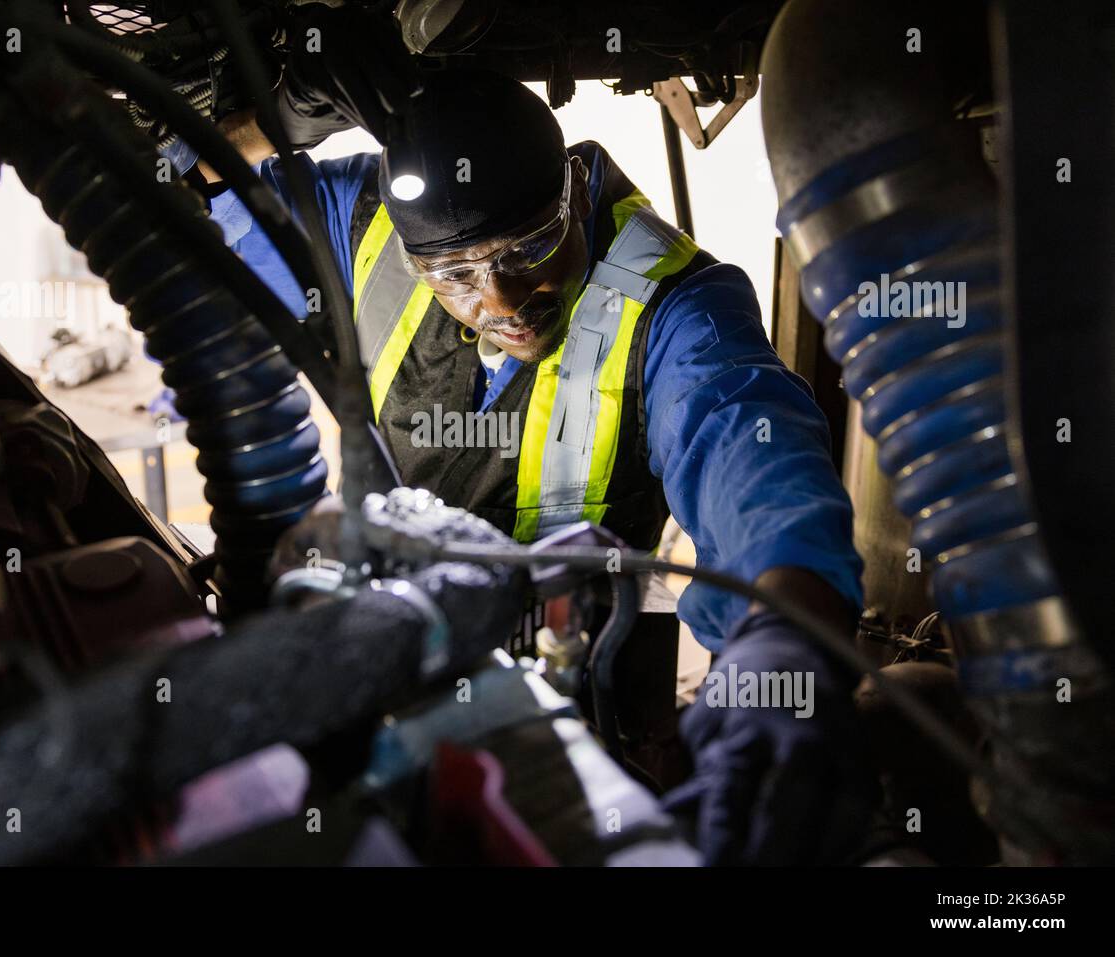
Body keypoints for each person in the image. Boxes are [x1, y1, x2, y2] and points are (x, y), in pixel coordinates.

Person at [164, 4, 874, 864]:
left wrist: (785, 637)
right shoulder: (361, 219)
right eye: (455, 274)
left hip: (592, 698)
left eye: (530, 248)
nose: (499, 299)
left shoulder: (676, 305)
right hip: (399, 651)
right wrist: (280, 114)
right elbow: (182, 187)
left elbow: (753, 454)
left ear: (573, 189)